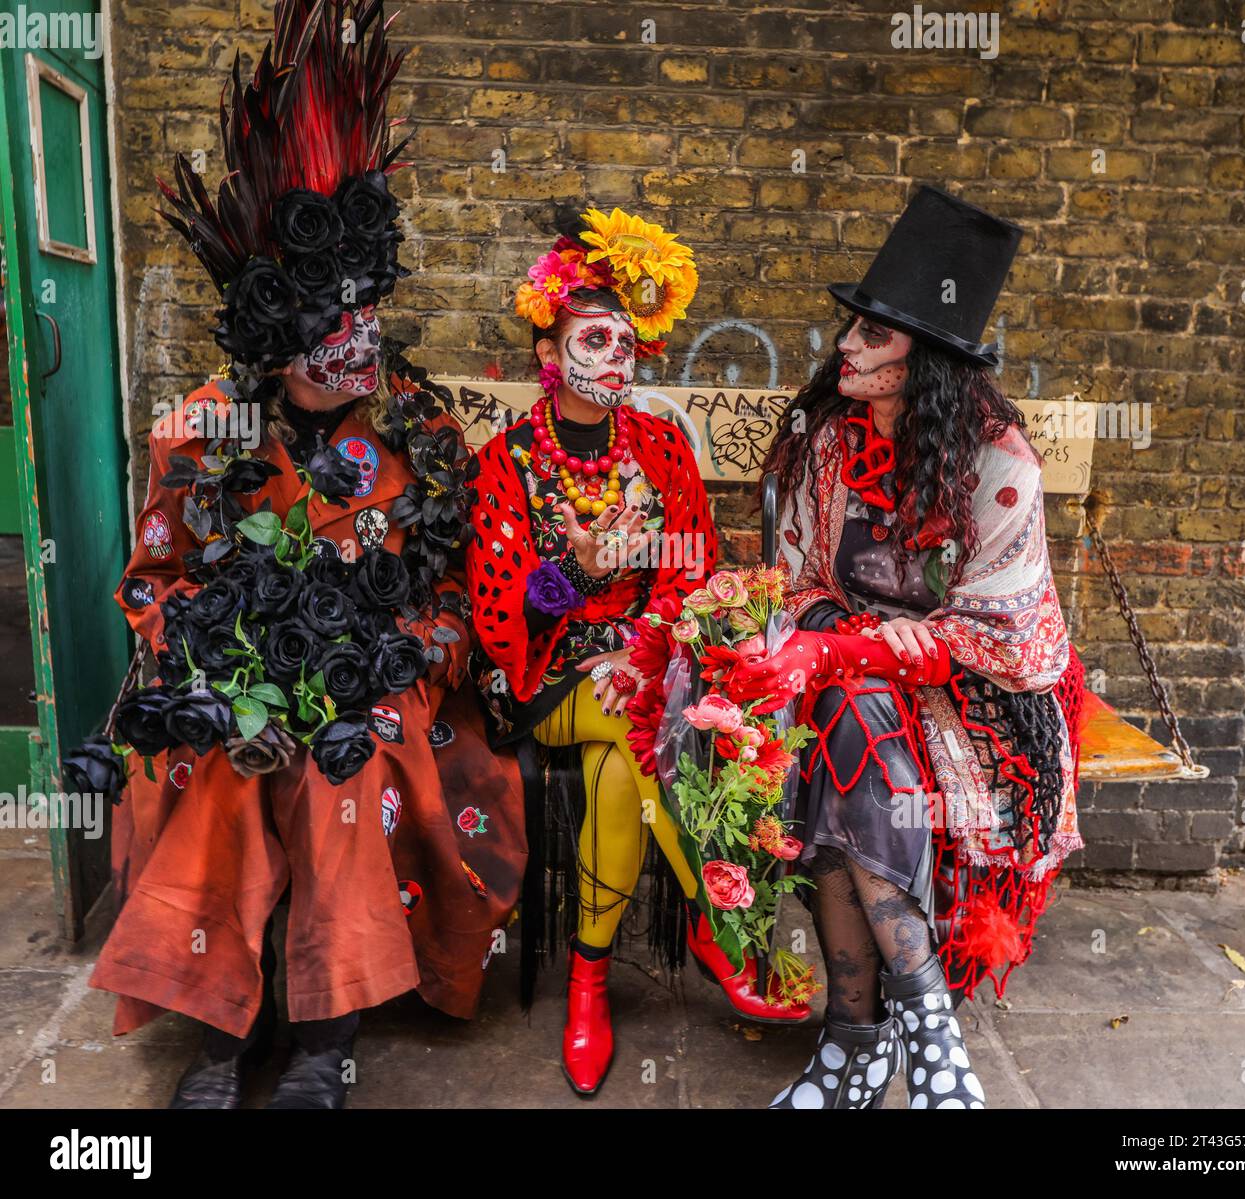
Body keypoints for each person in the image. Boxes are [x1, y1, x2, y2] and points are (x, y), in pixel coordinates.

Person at [84, 0, 525, 1109]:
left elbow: (460, 602)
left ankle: (328, 1031)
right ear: (267, 333)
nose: (351, 347)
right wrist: (204, 678)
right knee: (232, 760)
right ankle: (222, 1034)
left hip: (388, 684)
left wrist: (383, 664)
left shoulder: (420, 432)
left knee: (342, 758)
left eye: (364, 320)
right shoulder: (203, 430)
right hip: (230, 678)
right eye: (324, 328)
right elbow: (156, 584)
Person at [728, 186, 1086, 1109]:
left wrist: (848, 656)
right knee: (849, 717)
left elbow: (997, 634)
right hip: (855, 678)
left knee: (851, 721)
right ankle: (927, 1041)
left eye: (873, 336)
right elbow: (801, 584)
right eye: (852, 327)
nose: (846, 345)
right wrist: (833, 646)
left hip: (974, 694)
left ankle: (856, 1041)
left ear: (925, 360)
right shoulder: (825, 447)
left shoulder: (998, 462)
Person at [465, 206, 810, 1097]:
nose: (614, 356)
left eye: (625, 340)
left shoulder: (660, 447)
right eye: (593, 337)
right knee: (641, 726)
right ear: (552, 352)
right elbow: (498, 612)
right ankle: (717, 923)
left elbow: (690, 562)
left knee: (629, 753)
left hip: (643, 668)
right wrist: (576, 578)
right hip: (544, 677)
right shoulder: (505, 462)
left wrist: (642, 651)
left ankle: (590, 982)